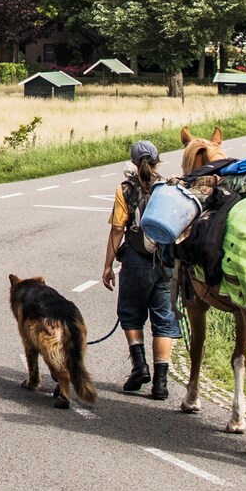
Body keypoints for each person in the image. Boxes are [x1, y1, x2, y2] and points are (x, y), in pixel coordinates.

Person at [100, 138, 180, 398]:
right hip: (164, 263)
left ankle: (140, 367)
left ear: (134, 163)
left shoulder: (125, 189)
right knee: (163, 322)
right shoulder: (168, 188)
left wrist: (108, 265)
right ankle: (161, 384)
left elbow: (117, 230)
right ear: (158, 161)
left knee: (130, 314)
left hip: (135, 260)